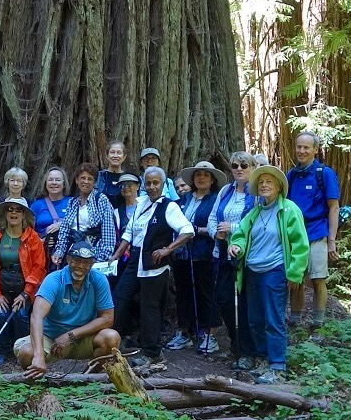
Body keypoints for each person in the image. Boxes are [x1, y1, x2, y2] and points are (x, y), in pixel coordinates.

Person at [228, 165, 309, 384]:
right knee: (255, 319)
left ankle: (278, 367)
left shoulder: (289, 210)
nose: (264, 185)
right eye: (261, 182)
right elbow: (240, 235)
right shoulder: (254, 213)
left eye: (269, 182)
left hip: (275, 271)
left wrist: (294, 274)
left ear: (279, 186)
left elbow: (301, 245)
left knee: (273, 320)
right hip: (252, 271)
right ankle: (263, 359)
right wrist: (236, 246)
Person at [109, 167, 194, 367]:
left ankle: (152, 352)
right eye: (148, 183)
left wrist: (167, 249)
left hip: (154, 265)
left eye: (156, 183)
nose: (152, 187)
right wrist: (115, 256)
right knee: (119, 298)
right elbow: (129, 233)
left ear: (163, 185)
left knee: (150, 307)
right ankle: (113, 342)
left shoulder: (169, 207)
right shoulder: (141, 204)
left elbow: (187, 231)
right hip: (135, 261)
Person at [16, 241, 121, 379]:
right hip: (50, 337)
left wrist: (71, 335)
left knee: (112, 338)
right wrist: (39, 355)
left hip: (82, 338)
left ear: (92, 263)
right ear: (68, 259)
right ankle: (39, 385)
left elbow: (107, 318)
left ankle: (87, 379)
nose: (81, 266)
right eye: (76, 261)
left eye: (86, 262)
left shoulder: (98, 279)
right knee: (27, 353)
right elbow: (36, 316)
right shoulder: (54, 279)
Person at [167, 162, 226, 354]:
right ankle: (185, 332)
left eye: (206, 175)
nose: (201, 178)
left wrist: (196, 231)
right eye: (198, 175)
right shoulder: (184, 200)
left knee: (206, 293)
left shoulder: (215, 200)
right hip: (182, 254)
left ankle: (209, 334)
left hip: (204, 253)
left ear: (212, 180)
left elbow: (216, 226)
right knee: (183, 294)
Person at [207, 151, 257, 369]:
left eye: (244, 165)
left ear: (253, 167)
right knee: (225, 300)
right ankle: (236, 345)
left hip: (246, 257)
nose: (239, 169)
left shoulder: (256, 193)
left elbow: (258, 223)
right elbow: (212, 217)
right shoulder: (226, 191)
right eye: (235, 165)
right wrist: (214, 232)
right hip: (224, 253)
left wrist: (233, 228)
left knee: (244, 304)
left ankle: (247, 352)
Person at [286, 132, 341, 328]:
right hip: (295, 235)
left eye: (306, 147)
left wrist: (331, 240)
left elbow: (334, 207)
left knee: (318, 279)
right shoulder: (291, 175)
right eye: (299, 147)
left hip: (317, 233)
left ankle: (318, 323)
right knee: (296, 279)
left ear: (315, 150)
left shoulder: (323, 173)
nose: (301, 151)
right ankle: (295, 320)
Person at [0, 197, 47, 365]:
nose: (13, 213)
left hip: (25, 288)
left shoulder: (32, 238)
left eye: (18, 210)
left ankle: (22, 351)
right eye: (10, 209)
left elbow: (39, 267)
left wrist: (26, 294)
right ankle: (1, 351)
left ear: (24, 215)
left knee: (20, 315)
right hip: (3, 287)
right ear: (5, 214)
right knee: (1, 314)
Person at [52, 163, 116, 264]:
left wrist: (100, 261)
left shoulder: (101, 200)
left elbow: (108, 235)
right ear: (77, 180)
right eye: (82, 178)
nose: (85, 182)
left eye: (89, 179)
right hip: (73, 255)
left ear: (94, 182)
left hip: (94, 255)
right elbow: (65, 231)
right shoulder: (72, 202)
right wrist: (59, 252)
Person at [29, 167, 71, 271]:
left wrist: (62, 224)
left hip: (67, 254)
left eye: (57, 180)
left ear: (64, 183)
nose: (54, 183)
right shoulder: (37, 205)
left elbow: (81, 226)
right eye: (50, 180)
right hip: (42, 254)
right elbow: (28, 232)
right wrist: (41, 241)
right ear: (45, 183)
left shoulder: (72, 203)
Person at [95, 140, 129, 208]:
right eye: (112, 152)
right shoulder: (98, 177)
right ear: (107, 156)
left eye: (119, 153)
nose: (115, 156)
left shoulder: (129, 178)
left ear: (124, 157)